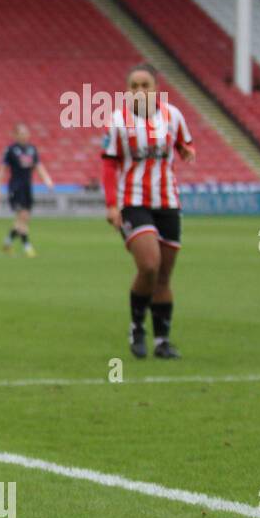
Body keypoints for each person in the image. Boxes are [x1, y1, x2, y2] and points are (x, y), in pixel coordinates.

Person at [101, 63, 195, 359]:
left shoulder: (173, 116)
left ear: (156, 89)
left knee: (164, 276)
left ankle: (162, 342)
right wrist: (111, 205)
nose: (140, 91)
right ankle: (136, 328)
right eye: (134, 86)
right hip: (134, 202)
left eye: (146, 85)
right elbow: (108, 164)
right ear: (127, 92)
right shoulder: (118, 121)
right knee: (150, 265)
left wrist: (187, 151)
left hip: (168, 202)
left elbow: (185, 144)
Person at [0, 123, 54, 257]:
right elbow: (2, 170)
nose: (24, 136)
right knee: (22, 217)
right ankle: (27, 246)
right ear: (15, 135)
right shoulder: (10, 150)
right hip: (16, 187)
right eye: (21, 134)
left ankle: (7, 242)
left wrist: (47, 180)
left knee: (23, 219)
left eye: (26, 133)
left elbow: (38, 166)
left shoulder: (32, 149)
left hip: (28, 187)